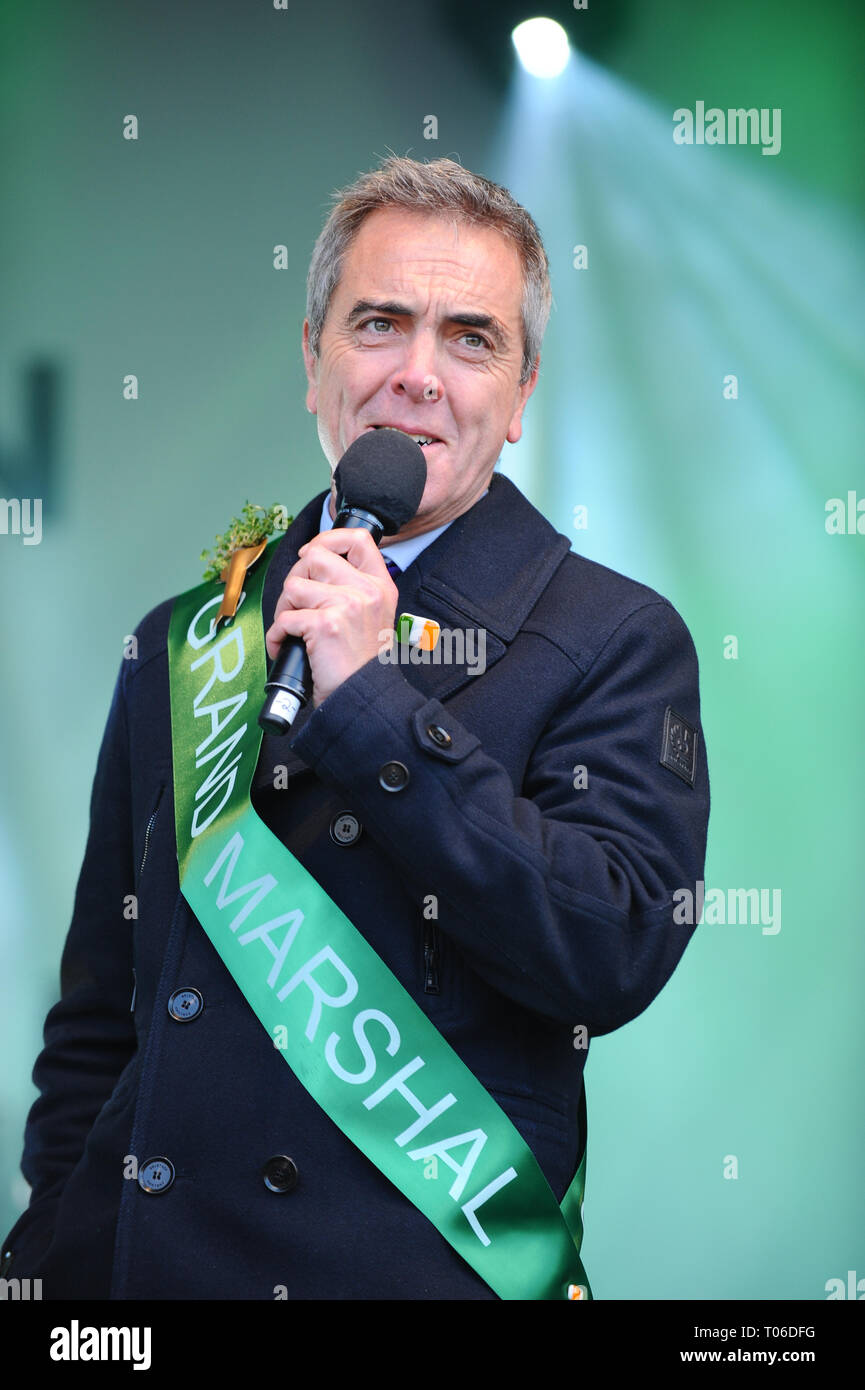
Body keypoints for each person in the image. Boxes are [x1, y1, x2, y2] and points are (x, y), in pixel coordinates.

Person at [2, 156, 710, 1300]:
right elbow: (98, 1013)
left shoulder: (613, 635)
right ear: (312, 359)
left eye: (470, 340)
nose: (417, 375)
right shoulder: (187, 640)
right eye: (378, 323)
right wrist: (46, 1263)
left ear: (522, 393)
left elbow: (610, 947)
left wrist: (374, 702)